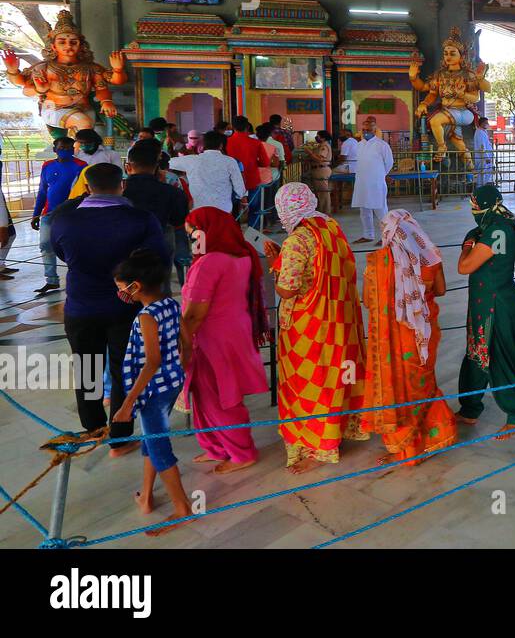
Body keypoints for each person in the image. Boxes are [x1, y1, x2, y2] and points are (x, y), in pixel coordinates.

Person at [52, 163, 168, 453]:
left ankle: (93, 430)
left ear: (88, 188)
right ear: (122, 185)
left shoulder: (64, 219)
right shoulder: (141, 219)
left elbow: (61, 253)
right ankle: (120, 437)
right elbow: (156, 259)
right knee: (122, 369)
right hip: (125, 304)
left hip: (81, 304)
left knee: (88, 367)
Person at [264, 183, 368, 473]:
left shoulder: (297, 240)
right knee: (335, 376)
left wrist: (275, 263)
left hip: (308, 326)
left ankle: (318, 445)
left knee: (310, 381)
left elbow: (287, 289)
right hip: (339, 318)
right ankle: (336, 431)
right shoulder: (331, 226)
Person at [360, 210, 457, 465]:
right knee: (424, 383)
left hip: (395, 340)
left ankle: (407, 448)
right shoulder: (430, 255)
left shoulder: (377, 264)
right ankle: (436, 434)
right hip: (424, 335)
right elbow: (441, 290)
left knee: (400, 389)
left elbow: (369, 302)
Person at [181, 207, 267, 473]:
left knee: (219, 396)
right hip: (234, 331)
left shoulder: (209, 263)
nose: (193, 238)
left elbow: (195, 313)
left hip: (212, 338)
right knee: (206, 394)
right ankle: (216, 446)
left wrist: (182, 344)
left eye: (194, 232)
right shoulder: (241, 254)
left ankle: (242, 453)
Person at [112, 247, 191, 535]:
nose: (122, 293)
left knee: (159, 448)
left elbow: (152, 361)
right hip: (171, 384)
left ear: (137, 285)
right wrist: (179, 371)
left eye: (123, 288)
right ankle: (146, 496)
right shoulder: (170, 304)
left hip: (152, 392)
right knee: (151, 438)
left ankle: (182, 509)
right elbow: (188, 342)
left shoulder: (146, 316)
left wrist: (126, 403)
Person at [456, 184, 515, 438]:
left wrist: (467, 244)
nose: (473, 210)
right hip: (482, 305)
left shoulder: (497, 229)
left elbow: (465, 266)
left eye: (475, 205)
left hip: (497, 307)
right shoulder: (490, 226)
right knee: (476, 357)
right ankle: (469, 408)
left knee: (502, 359)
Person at [123, 140, 188, 288]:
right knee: (160, 285)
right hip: (161, 239)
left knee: (129, 284)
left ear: (128, 167)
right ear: (157, 167)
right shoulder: (171, 191)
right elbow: (179, 220)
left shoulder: (119, 190)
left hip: (126, 241)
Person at [32, 136, 86, 295]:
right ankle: (51, 280)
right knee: (45, 245)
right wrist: (36, 213)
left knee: (73, 247)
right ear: (55, 150)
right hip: (48, 213)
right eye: (62, 148)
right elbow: (42, 191)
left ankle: (77, 278)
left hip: (72, 213)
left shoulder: (81, 166)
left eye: (69, 148)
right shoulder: (47, 166)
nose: (66, 151)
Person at [169, 131, 245, 214]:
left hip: (198, 210)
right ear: (221, 145)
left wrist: (174, 147)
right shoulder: (230, 161)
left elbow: (168, 163)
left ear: (204, 144)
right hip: (223, 210)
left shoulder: (191, 160)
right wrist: (241, 198)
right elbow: (240, 189)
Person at [352, 116, 394, 244]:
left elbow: (389, 163)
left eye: (368, 130)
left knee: (381, 210)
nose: (365, 132)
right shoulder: (358, 145)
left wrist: (379, 175)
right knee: (364, 210)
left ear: (374, 131)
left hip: (376, 183)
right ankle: (368, 234)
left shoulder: (382, 145)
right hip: (361, 183)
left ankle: (386, 237)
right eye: (363, 130)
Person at [305, 130, 333, 214]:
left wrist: (310, 153)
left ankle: (325, 212)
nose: (316, 137)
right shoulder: (320, 145)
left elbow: (320, 159)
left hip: (321, 169)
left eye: (318, 136)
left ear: (323, 137)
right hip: (317, 170)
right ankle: (321, 211)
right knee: (319, 192)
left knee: (323, 193)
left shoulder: (324, 146)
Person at [472, 117, 494, 187]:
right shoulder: (479, 133)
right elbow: (482, 146)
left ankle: (482, 186)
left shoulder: (483, 132)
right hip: (483, 158)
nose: (488, 124)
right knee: (482, 173)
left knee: (487, 172)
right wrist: (486, 157)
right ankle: (479, 188)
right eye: (486, 123)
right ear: (482, 124)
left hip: (486, 157)